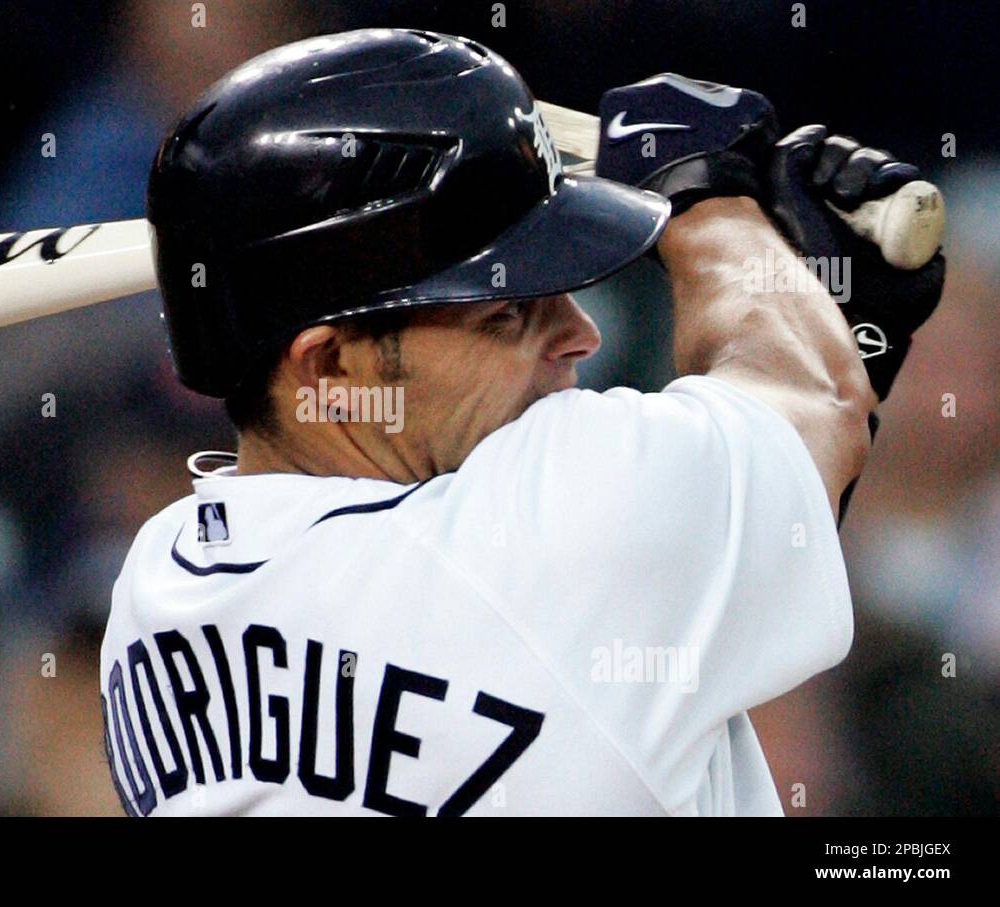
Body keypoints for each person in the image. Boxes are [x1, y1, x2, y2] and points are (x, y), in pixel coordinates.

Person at [98, 29, 945, 816]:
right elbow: (813, 410)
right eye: (507, 313)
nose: (582, 335)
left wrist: (814, 326)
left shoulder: (156, 592)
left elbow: (651, 619)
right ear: (331, 369)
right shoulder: (540, 529)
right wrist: (710, 208)